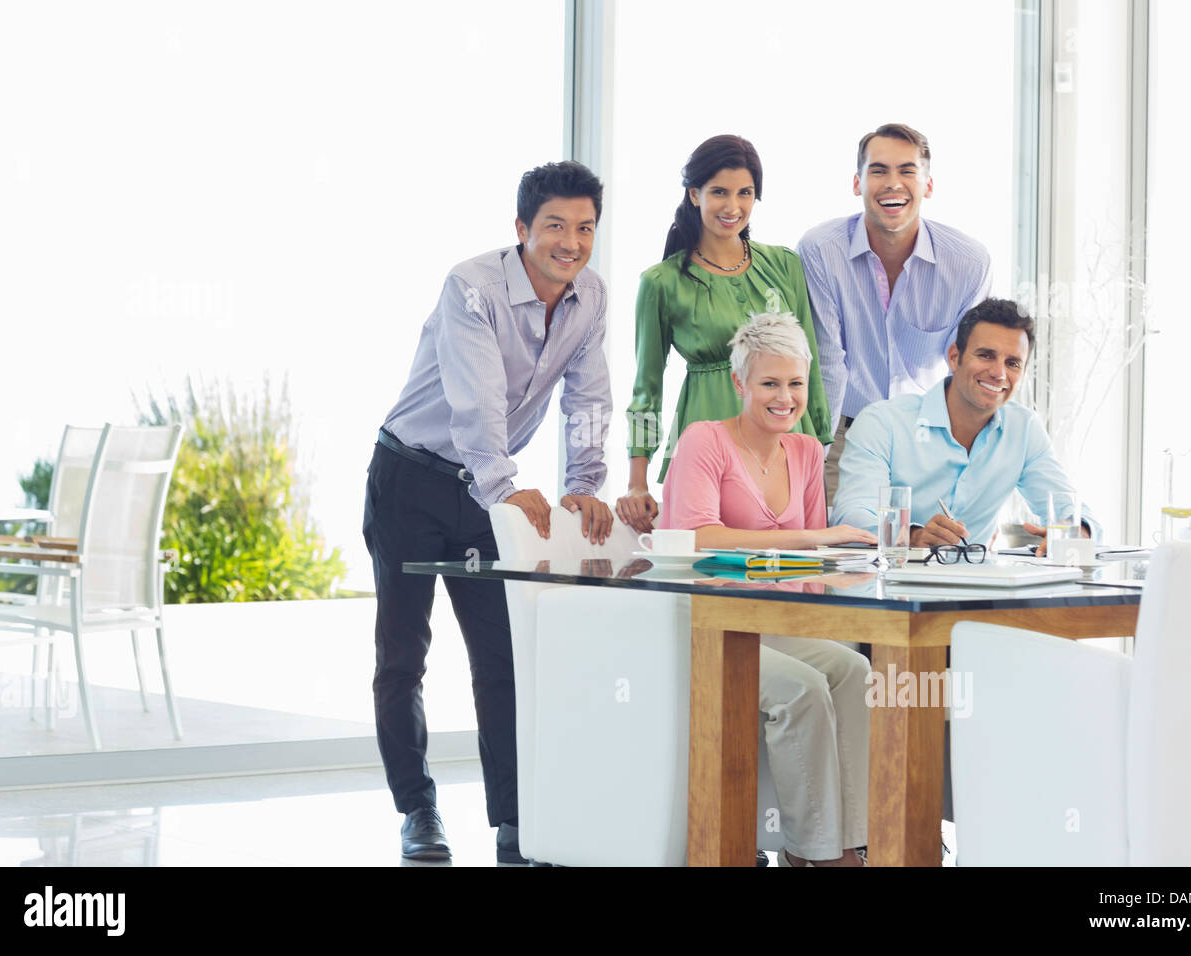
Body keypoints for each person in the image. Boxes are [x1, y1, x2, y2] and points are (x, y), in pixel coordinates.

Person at [363, 160, 615, 864]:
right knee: (403, 657)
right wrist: (506, 489)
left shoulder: (591, 297)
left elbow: (589, 398)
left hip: (483, 489)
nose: (571, 242)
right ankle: (417, 811)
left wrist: (584, 483)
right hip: (411, 477)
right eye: (556, 227)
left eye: (585, 228)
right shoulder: (470, 287)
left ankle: (515, 821)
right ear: (522, 229)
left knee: (502, 658)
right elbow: (477, 401)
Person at [660, 311, 876, 867]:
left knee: (853, 670)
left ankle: (850, 840)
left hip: (768, 622)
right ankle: (815, 852)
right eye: (770, 383)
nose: (785, 397)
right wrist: (815, 536)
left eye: (796, 383)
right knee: (801, 689)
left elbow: (806, 564)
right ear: (740, 384)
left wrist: (843, 563)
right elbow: (699, 537)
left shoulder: (805, 451)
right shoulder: (703, 440)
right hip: (698, 622)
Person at [616, 134, 833, 534]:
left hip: (786, 434)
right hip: (706, 428)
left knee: (794, 565)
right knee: (712, 565)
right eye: (719, 192)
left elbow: (811, 364)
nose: (733, 207)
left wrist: (819, 443)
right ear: (694, 194)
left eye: (745, 193)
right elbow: (646, 389)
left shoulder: (784, 265)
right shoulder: (661, 283)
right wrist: (636, 479)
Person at [798, 123, 992, 504]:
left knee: (930, 555)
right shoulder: (821, 250)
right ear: (857, 183)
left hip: (928, 440)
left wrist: (975, 469)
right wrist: (809, 465)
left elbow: (970, 369)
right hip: (843, 437)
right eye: (878, 170)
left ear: (928, 185)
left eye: (907, 171)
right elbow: (828, 364)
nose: (893, 183)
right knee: (844, 554)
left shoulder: (968, 262)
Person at [831, 298, 1099, 551]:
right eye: (986, 355)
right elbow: (852, 515)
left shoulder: (1024, 429)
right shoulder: (883, 423)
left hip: (978, 593)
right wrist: (912, 536)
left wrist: (1073, 532)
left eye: (1013, 363)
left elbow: (1074, 512)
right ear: (954, 357)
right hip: (887, 589)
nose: (999, 373)